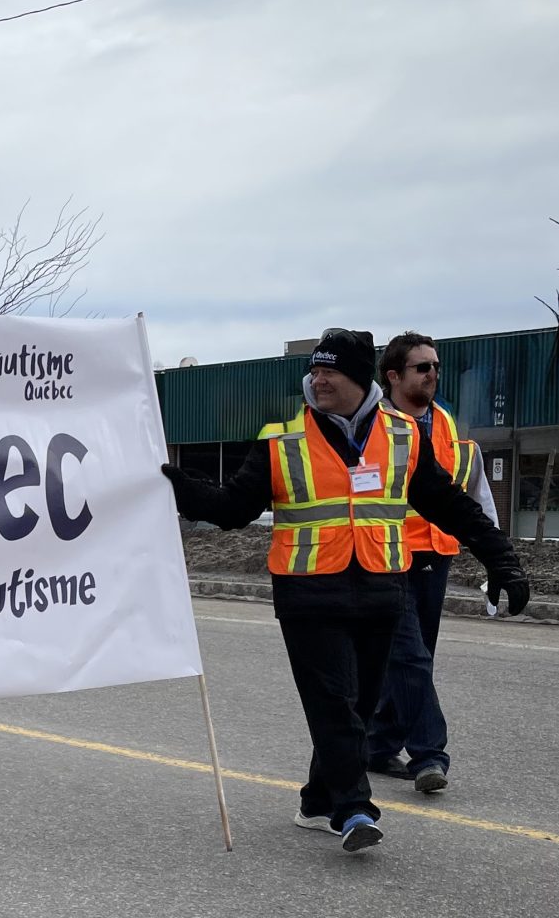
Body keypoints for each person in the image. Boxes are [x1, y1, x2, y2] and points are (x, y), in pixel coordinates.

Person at [161, 329, 528, 852]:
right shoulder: (283, 439)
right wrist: (181, 488)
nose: (318, 378)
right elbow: (231, 509)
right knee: (333, 702)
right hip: (308, 594)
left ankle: (316, 799)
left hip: (381, 591)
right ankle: (353, 809)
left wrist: (503, 563)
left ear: (358, 378)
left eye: (329, 370)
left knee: (358, 705)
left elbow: (452, 506)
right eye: (314, 370)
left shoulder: (403, 436)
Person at [363, 333, 484, 795]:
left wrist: (493, 553)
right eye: (421, 367)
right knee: (410, 657)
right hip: (388, 554)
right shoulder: (373, 426)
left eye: (435, 365)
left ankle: (377, 744)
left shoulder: (446, 422)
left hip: (436, 552)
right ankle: (430, 755)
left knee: (414, 661)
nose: (433, 373)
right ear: (393, 376)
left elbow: (467, 492)